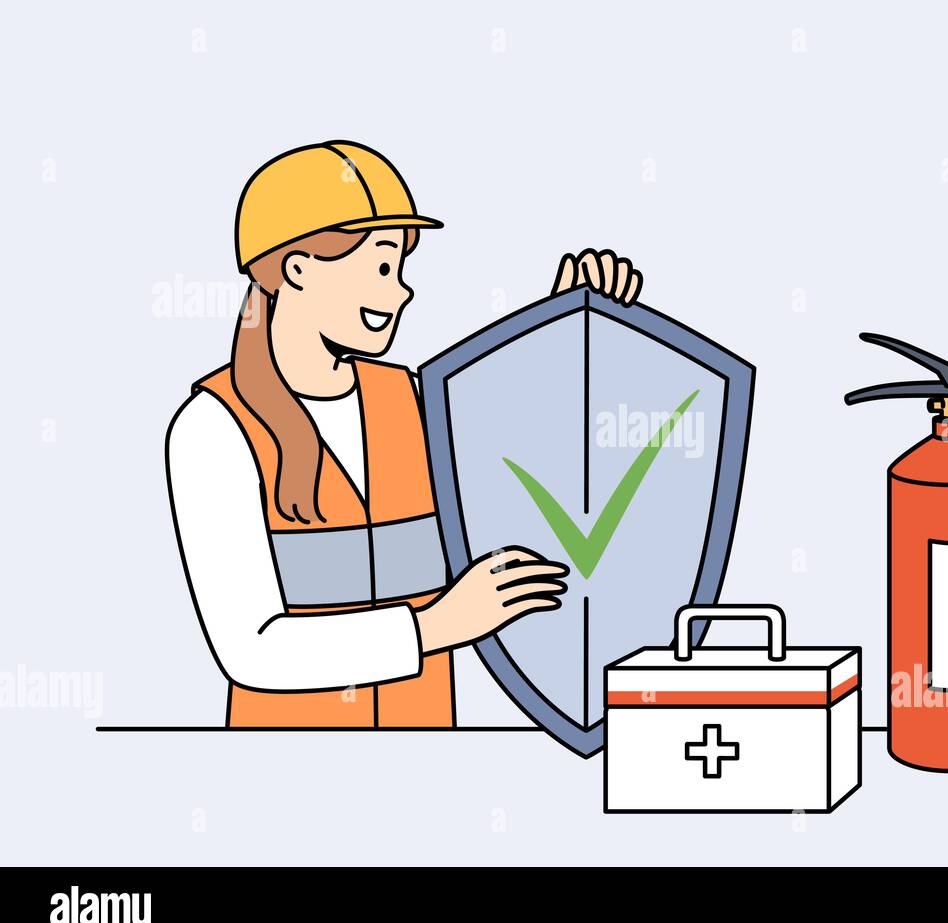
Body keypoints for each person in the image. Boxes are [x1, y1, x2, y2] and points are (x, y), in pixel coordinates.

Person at [166, 141, 642, 727]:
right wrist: (436, 627)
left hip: (425, 756)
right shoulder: (212, 430)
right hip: (285, 769)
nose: (402, 291)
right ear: (297, 268)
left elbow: (534, 473)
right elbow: (252, 650)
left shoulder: (413, 401)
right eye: (383, 266)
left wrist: (567, 327)